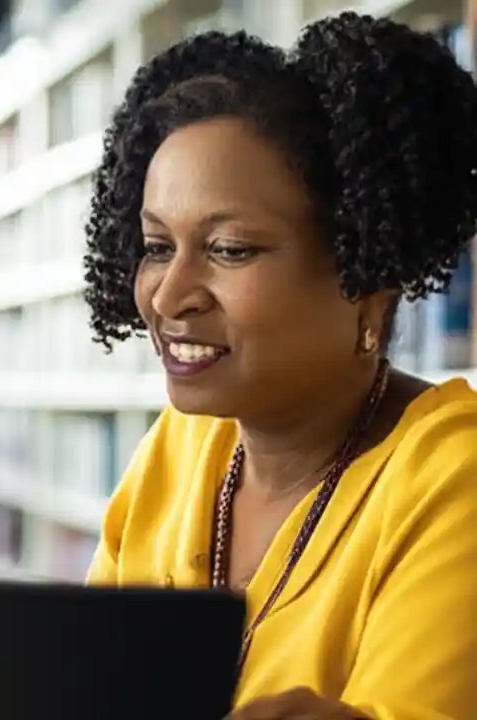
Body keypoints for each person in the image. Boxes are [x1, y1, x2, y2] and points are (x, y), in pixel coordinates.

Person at [82, 11, 477, 718]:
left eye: (230, 249)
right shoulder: (178, 450)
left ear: (366, 274)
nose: (170, 296)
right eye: (157, 246)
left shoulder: (454, 478)